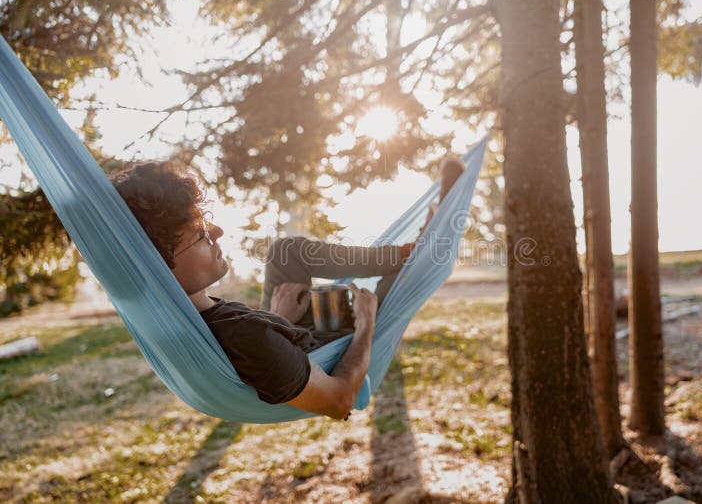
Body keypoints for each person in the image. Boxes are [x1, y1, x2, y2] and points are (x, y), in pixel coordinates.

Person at [110, 157, 465, 420]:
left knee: (286, 253)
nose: (217, 231)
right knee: (381, 301)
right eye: (200, 234)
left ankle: (406, 253)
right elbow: (340, 402)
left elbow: (254, 348)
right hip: (327, 364)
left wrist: (276, 320)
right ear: (157, 262)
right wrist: (367, 325)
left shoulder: (184, 315)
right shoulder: (250, 338)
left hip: (286, 339)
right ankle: (421, 250)